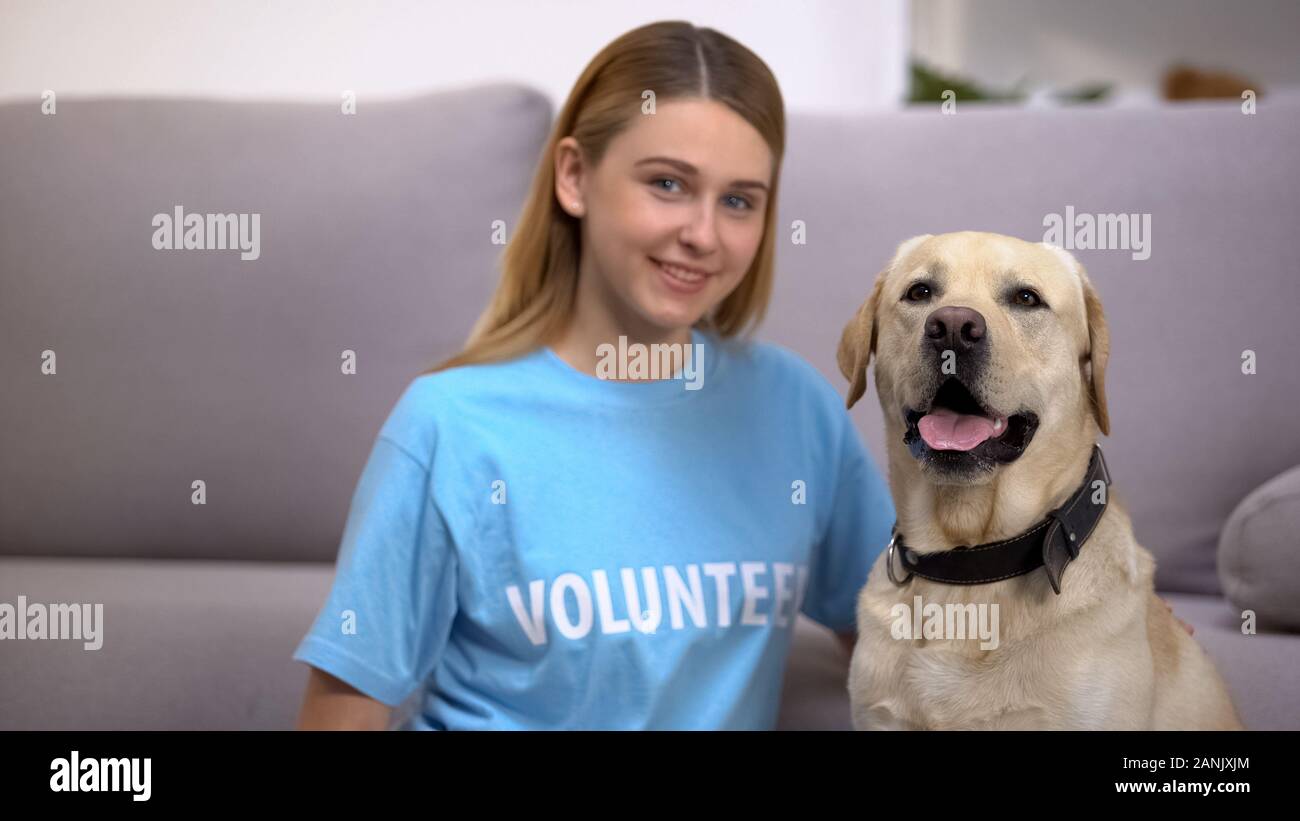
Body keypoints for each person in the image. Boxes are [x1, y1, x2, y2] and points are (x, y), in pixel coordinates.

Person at [292, 20, 895, 730]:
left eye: (739, 200)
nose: (703, 234)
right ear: (574, 176)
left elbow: (905, 644)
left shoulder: (795, 410)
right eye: (668, 183)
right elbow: (342, 717)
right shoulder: (449, 425)